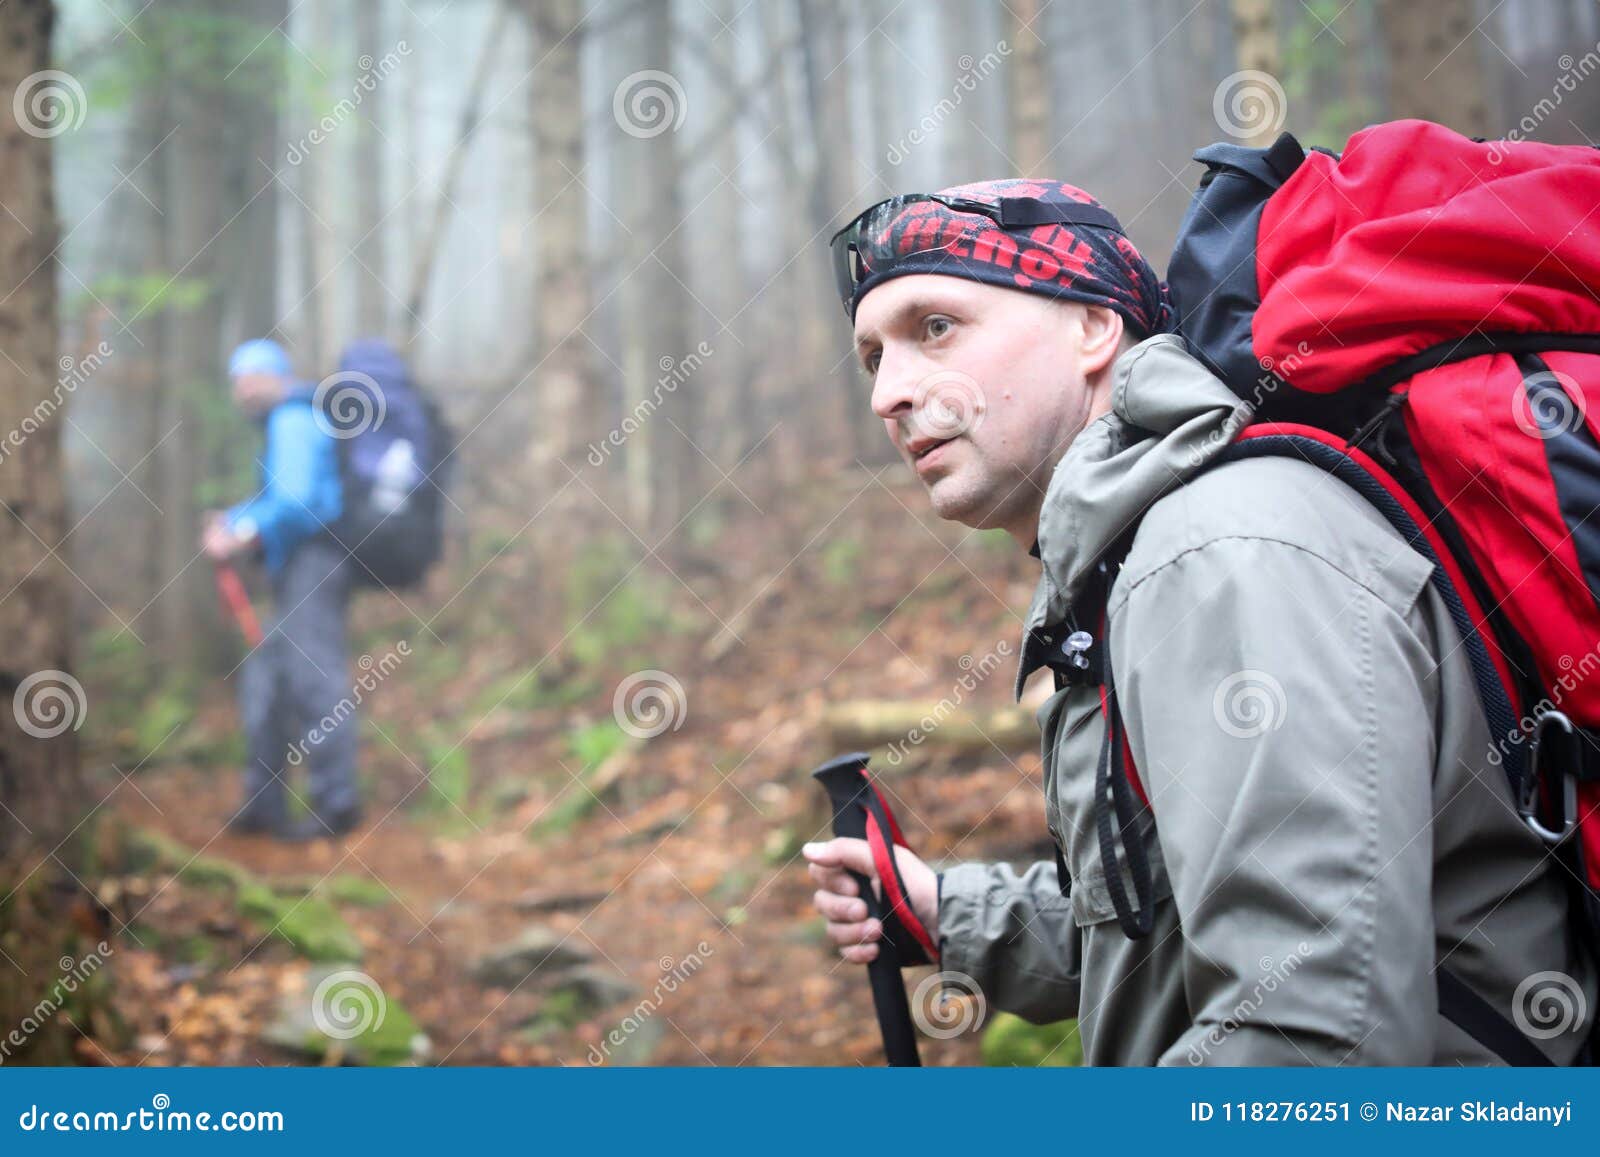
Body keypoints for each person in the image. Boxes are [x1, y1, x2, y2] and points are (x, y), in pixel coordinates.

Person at [802, 180, 1596, 1064]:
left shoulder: (1222, 553)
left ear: (1094, 327)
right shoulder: (1138, 560)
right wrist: (948, 912)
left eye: (935, 328)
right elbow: (1168, 919)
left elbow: (1314, 1037)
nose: (891, 394)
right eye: (875, 357)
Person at [205, 338, 360, 841]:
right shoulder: (285, 421)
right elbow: (276, 497)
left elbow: (296, 504)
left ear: (277, 376)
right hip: (297, 566)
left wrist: (242, 534)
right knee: (267, 678)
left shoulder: (292, 419)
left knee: (314, 678)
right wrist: (233, 519)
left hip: (314, 561)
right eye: (237, 380)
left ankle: (336, 806)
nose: (243, 389)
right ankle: (263, 803)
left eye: (252, 377)